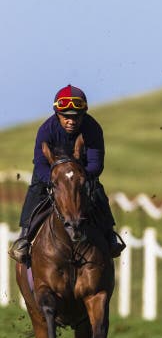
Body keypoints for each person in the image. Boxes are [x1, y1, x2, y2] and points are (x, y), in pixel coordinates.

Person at [8, 84, 126, 263]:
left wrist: (77, 178)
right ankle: (24, 237)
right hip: (51, 174)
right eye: (66, 117)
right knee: (35, 190)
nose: (71, 121)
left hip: (82, 173)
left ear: (83, 115)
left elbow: (96, 164)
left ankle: (110, 235)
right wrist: (55, 180)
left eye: (76, 117)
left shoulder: (93, 128)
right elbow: (40, 163)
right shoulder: (46, 130)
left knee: (97, 191)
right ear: (57, 115)